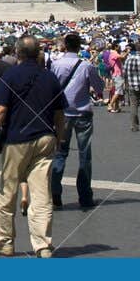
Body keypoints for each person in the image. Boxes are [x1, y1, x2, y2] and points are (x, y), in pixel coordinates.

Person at [0, 36, 67, 258]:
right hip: (45, 139)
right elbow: (60, 114)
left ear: (18, 52)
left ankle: (5, 241)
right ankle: (42, 245)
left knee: (8, 192)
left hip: (17, 138)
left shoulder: (11, 75)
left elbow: (0, 109)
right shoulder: (50, 77)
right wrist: (58, 138)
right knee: (41, 194)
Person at [48, 32, 105, 209]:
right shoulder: (86, 65)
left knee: (60, 153)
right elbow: (99, 87)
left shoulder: (55, 65)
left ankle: (55, 193)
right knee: (84, 155)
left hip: (61, 114)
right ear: (79, 46)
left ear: (64, 45)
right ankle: (85, 196)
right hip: (82, 114)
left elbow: (51, 87)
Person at [122, 40, 140, 132]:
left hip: (132, 84)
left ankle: (134, 126)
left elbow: (125, 73)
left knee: (134, 106)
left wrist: (126, 83)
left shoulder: (128, 59)